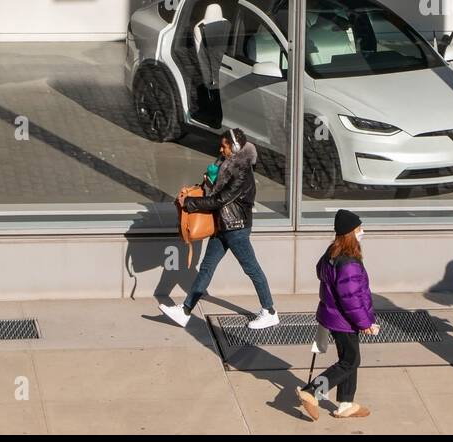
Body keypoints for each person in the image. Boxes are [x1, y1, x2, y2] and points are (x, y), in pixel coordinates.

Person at [159, 128, 279, 330]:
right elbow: (217, 193)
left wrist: (190, 202)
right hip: (223, 226)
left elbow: (220, 199)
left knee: (251, 268)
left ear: (235, 147)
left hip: (236, 228)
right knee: (207, 268)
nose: (220, 149)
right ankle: (185, 311)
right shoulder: (226, 165)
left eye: (224, 145)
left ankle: (270, 312)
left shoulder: (241, 172)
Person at [298, 209, 378, 420]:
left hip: (332, 316)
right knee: (350, 361)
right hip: (344, 320)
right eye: (359, 228)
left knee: (349, 358)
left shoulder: (332, 253)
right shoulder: (349, 263)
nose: (363, 231)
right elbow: (351, 298)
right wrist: (365, 323)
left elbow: (320, 272)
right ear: (351, 233)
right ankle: (311, 392)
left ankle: (346, 404)